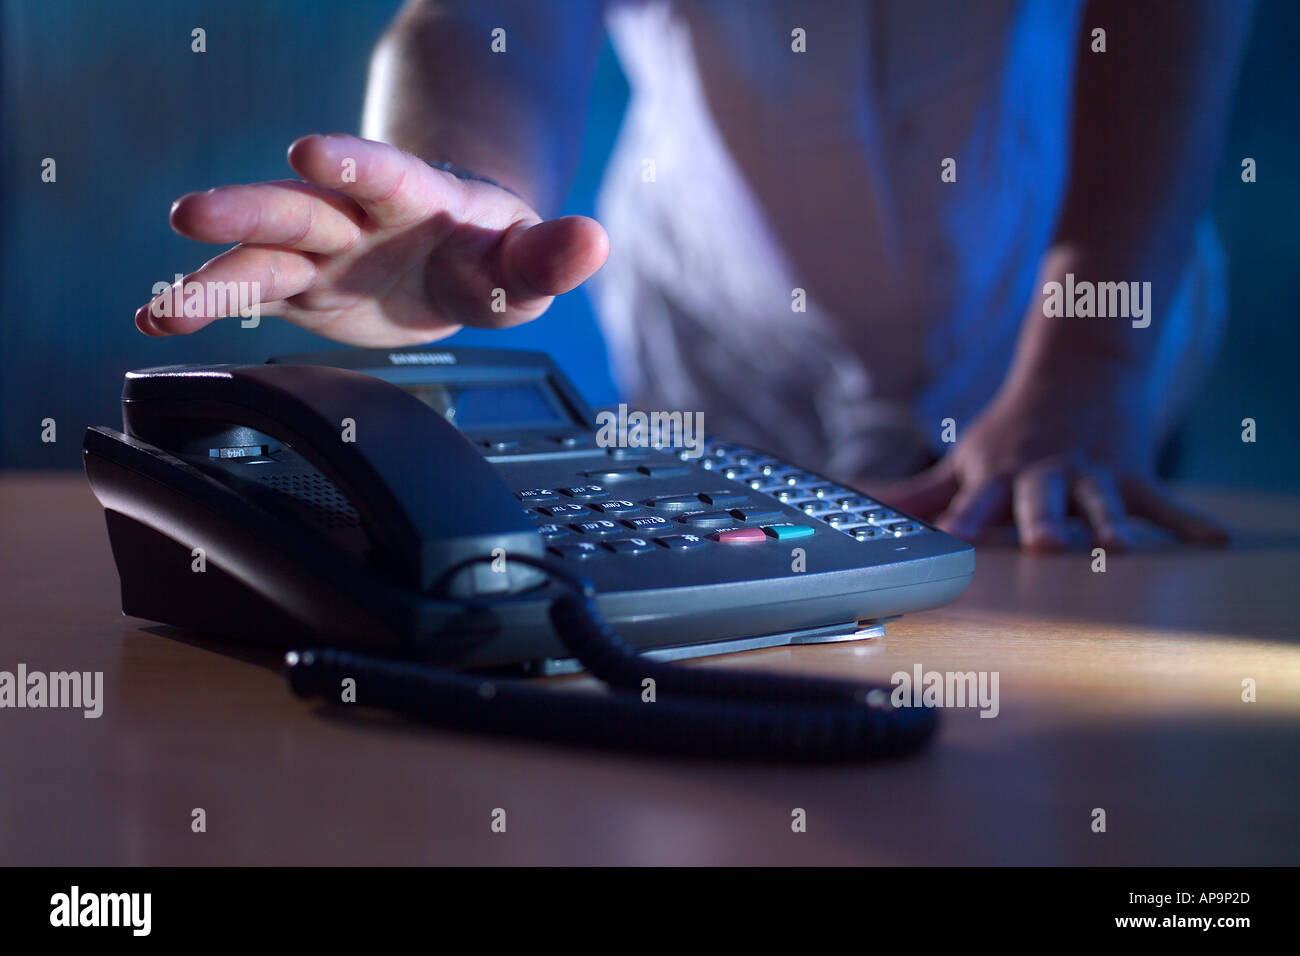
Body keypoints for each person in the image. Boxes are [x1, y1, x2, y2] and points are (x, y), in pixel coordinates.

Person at [136, 0, 1251, 551]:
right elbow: (494, 16)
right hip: (724, 363)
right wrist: (455, 190)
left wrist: (1089, 354)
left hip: (1073, 364)